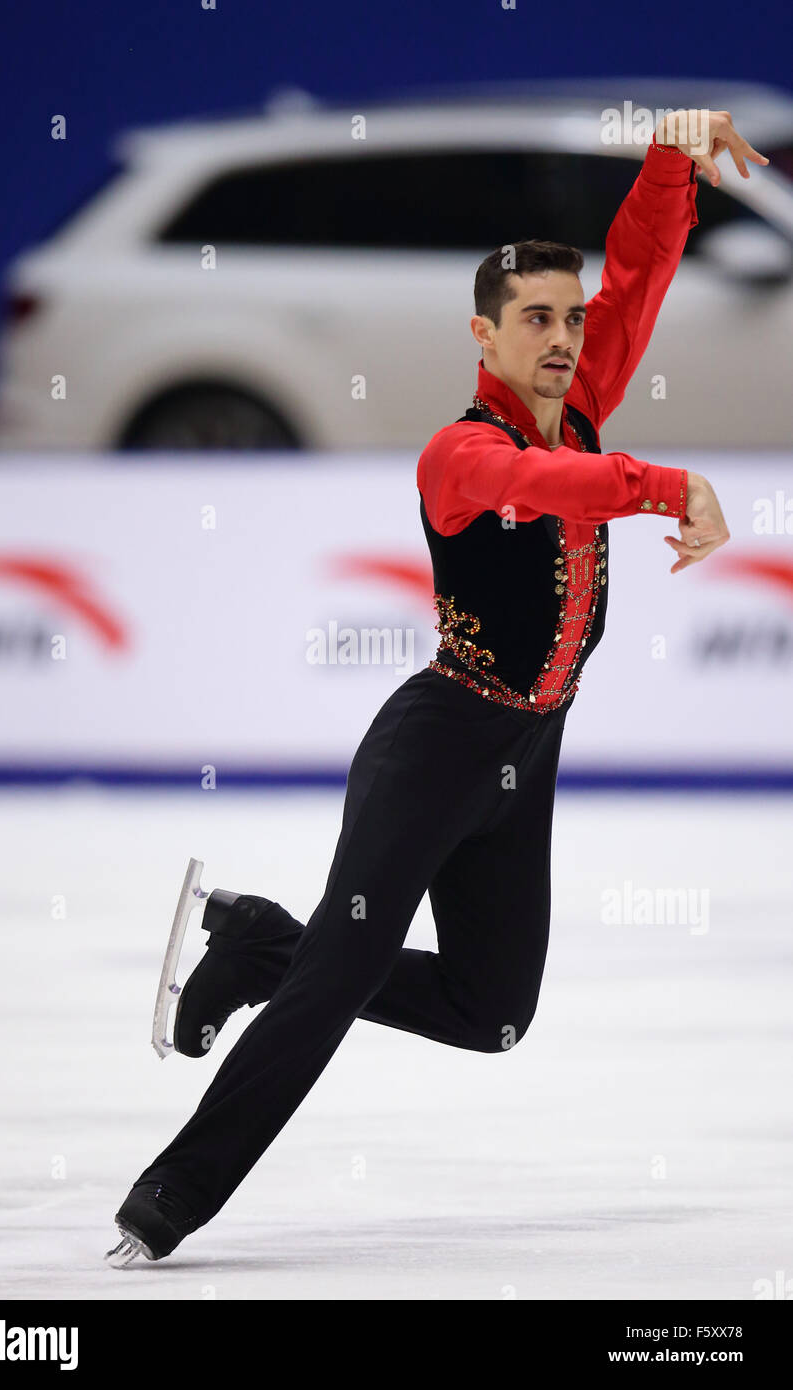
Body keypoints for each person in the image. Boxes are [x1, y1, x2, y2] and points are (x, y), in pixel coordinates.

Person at [106, 109, 763, 1267]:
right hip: (439, 741)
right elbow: (549, 481)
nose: (562, 337)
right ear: (484, 334)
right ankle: (164, 1202)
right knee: (337, 983)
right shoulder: (462, 452)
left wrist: (669, 159)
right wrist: (669, 487)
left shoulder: (585, 395)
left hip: (529, 750)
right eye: (534, 320)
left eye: (569, 316)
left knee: (491, 1010)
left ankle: (260, 946)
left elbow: (645, 273)